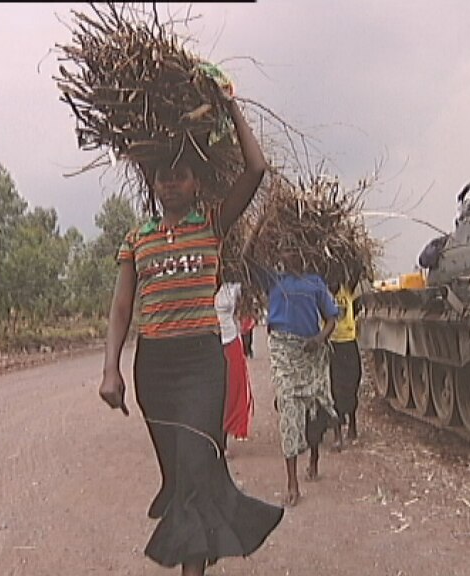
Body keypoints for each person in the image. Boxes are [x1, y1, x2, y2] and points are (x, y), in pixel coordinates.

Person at [98, 90, 283, 575]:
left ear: (197, 182)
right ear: (154, 184)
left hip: (202, 365)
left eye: (180, 174)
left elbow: (256, 170)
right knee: (181, 478)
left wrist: (233, 105)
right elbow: (121, 307)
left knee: (197, 472)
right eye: (163, 176)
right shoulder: (138, 239)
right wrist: (110, 370)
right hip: (155, 369)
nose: (171, 183)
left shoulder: (213, 225)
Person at [250, 258, 341, 507]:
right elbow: (248, 258)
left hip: (308, 352)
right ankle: (292, 482)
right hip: (282, 351)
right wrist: (258, 225)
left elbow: (332, 319)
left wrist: (319, 338)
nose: (287, 253)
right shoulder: (274, 279)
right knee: (289, 410)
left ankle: (313, 457)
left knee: (313, 410)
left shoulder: (315, 283)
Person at [214, 280, 253, 451]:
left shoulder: (233, 287)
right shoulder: (203, 285)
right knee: (214, 391)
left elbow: (247, 301)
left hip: (230, 342)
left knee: (232, 390)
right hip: (211, 344)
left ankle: (224, 437)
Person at [327, 280, 362, 448]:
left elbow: (355, 268)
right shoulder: (323, 291)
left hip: (349, 342)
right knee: (334, 388)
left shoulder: (347, 288)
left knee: (352, 384)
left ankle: (353, 424)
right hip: (332, 345)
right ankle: (338, 432)